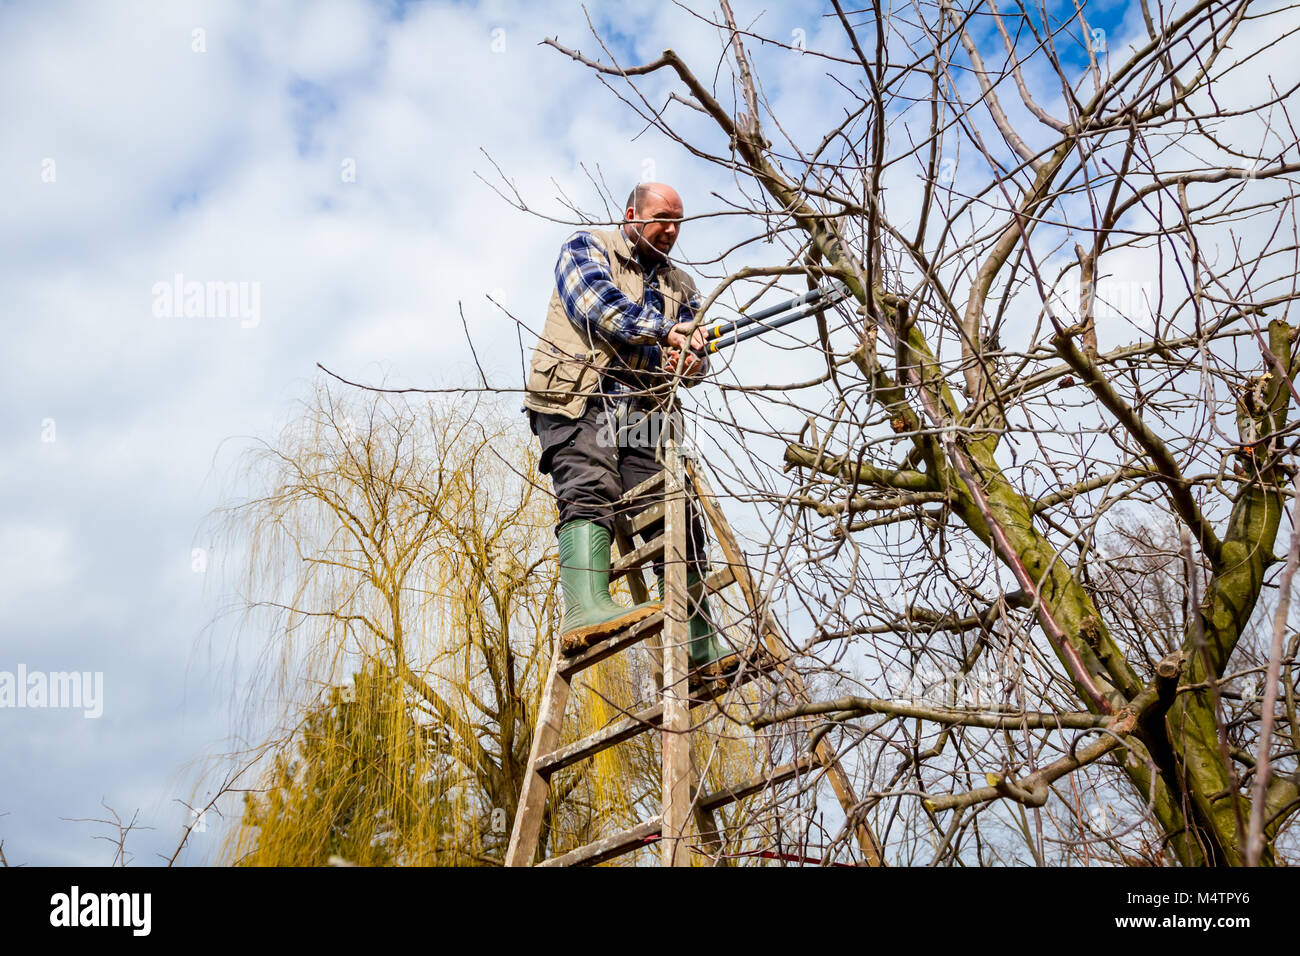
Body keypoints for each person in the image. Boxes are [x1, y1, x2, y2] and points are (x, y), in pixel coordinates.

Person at [522, 182, 737, 679]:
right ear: (631, 214)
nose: (671, 230)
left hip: (644, 413)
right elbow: (599, 309)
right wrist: (666, 334)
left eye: (679, 222)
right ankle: (585, 608)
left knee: (676, 518)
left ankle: (698, 645)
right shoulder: (588, 246)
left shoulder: (680, 286)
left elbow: (688, 357)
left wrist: (690, 355)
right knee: (590, 489)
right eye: (662, 218)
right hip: (578, 399)